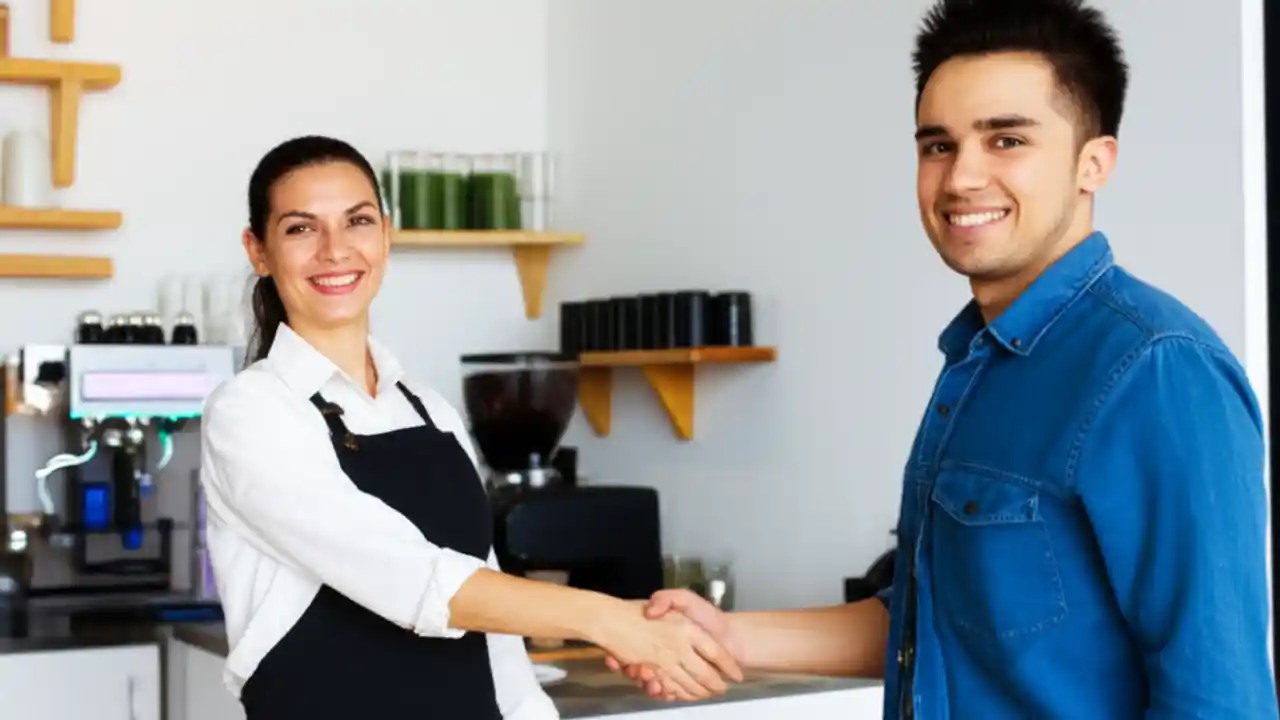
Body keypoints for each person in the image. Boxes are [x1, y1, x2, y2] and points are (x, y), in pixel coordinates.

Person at [610, 0, 1280, 717]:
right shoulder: (978, 360)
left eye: (1007, 140)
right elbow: (936, 622)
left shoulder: (1155, 370)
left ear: (1095, 163)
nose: (960, 178)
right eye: (938, 145)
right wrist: (727, 637)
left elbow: (1220, 697)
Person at [198, 135, 743, 720]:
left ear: (386, 234)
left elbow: (495, 629)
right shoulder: (251, 412)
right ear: (258, 251)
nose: (336, 250)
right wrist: (610, 620)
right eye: (301, 229)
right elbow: (414, 578)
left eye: (356, 221)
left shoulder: (429, 409)